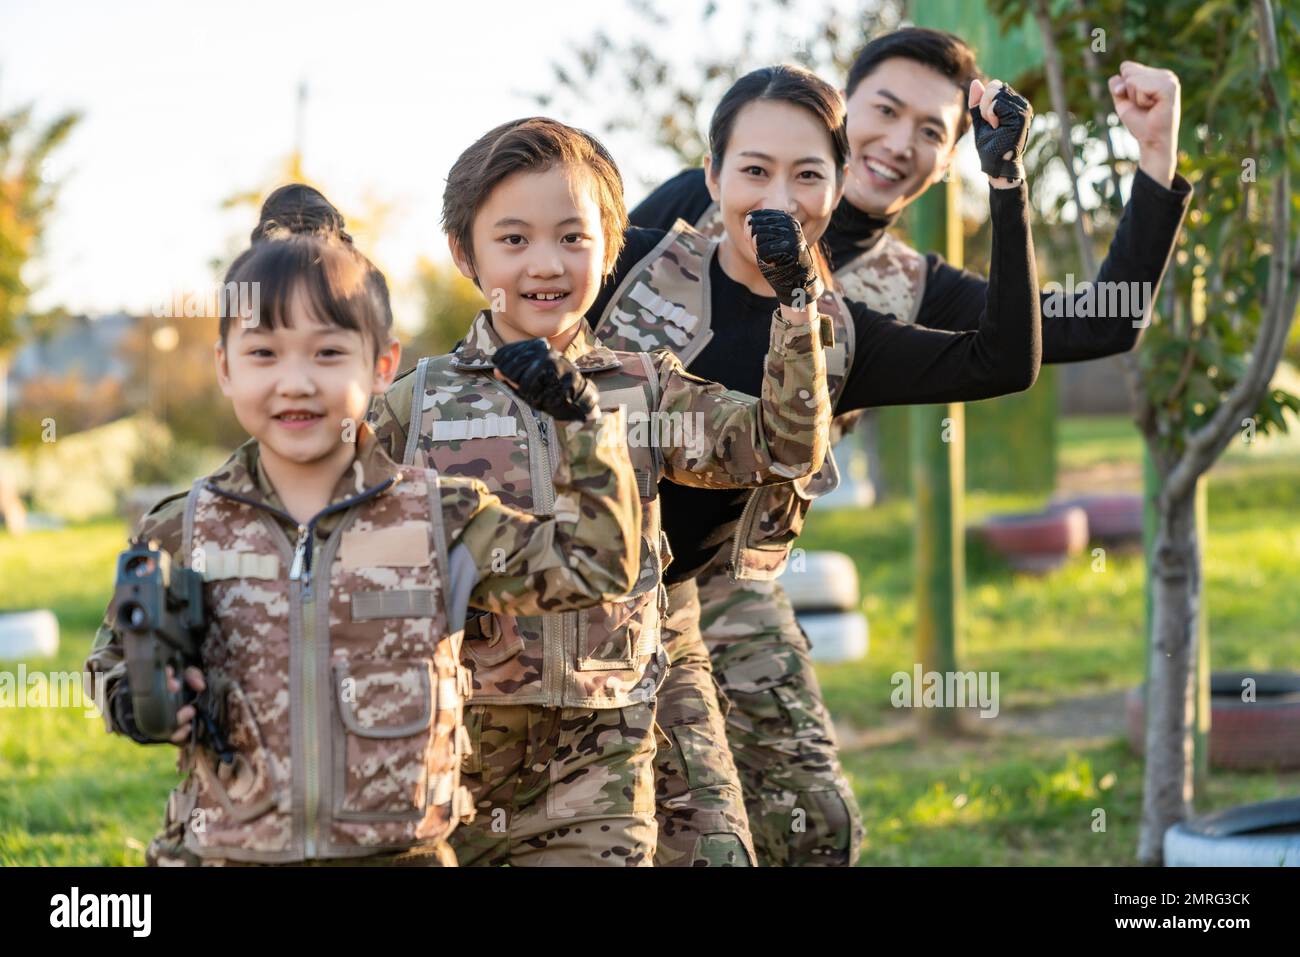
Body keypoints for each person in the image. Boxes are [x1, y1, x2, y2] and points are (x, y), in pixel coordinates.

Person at [589, 61, 1049, 865]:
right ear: (711, 176)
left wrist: (1005, 183)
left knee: (808, 828)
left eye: (807, 175)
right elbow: (508, 276)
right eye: (754, 171)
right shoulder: (623, 262)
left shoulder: (844, 331)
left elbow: (1006, 359)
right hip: (568, 589)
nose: (778, 198)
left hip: (686, 596)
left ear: (837, 190)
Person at [84, 228, 644, 866]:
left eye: (327, 354)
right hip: (226, 853)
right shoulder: (183, 528)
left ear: (382, 366)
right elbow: (109, 662)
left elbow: (593, 565)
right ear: (225, 368)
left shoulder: (441, 516)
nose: (295, 383)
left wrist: (581, 428)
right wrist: (139, 701)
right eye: (264, 354)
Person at [368, 116, 833, 866]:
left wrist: (798, 311)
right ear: (465, 252)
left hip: (605, 754)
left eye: (573, 237)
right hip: (458, 749)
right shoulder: (416, 405)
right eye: (513, 240)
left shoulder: (642, 389)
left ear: (610, 246)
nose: (545, 264)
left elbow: (780, 447)